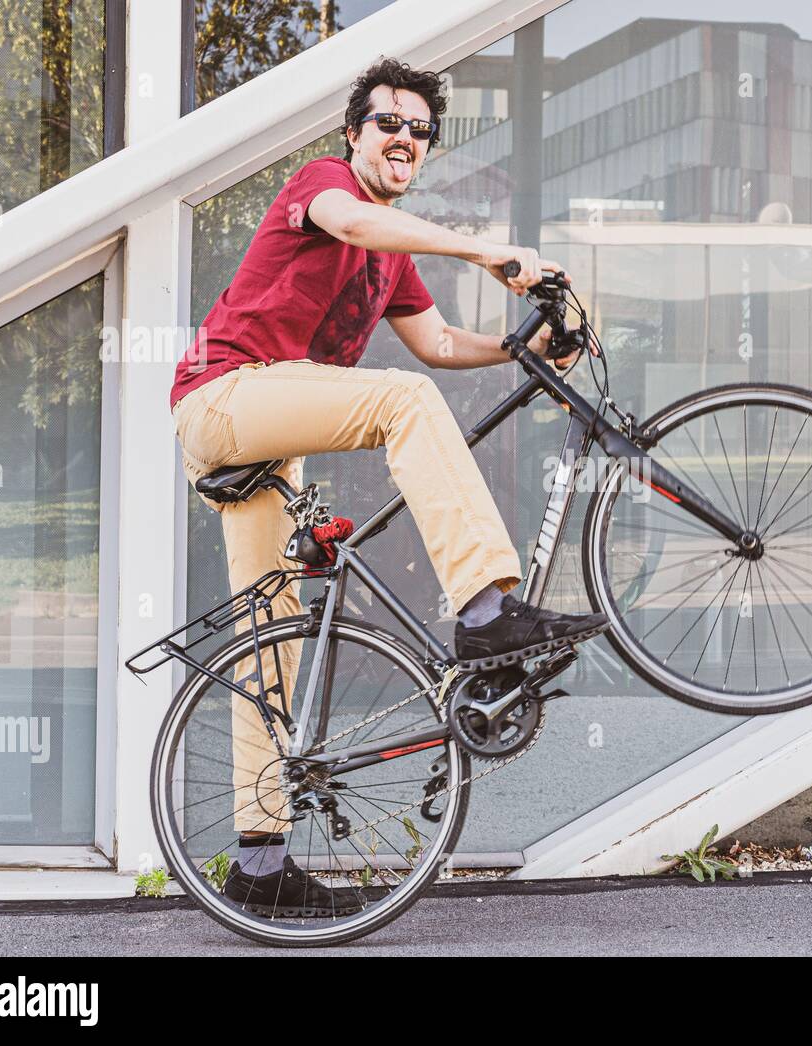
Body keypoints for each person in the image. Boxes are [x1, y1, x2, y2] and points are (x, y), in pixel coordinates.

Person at [169, 58, 606, 915]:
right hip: (222, 399)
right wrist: (485, 248)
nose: (404, 137)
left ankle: (260, 864)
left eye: (420, 130)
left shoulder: (389, 260)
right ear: (353, 133)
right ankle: (483, 606)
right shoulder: (326, 186)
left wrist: (524, 349)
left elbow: (438, 343)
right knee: (403, 404)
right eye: (388, 123)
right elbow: (354, 225)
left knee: (275, 643)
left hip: (269, 439)